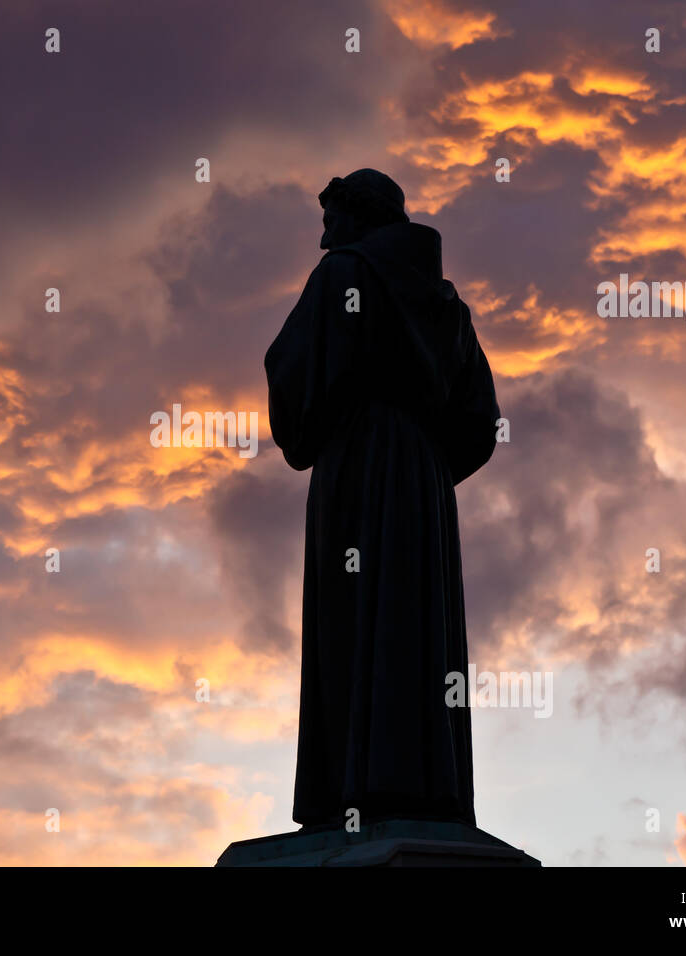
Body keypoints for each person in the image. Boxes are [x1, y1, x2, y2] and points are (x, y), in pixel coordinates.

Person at [264, 168, 501, 827]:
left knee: (355, 617)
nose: (322, 242)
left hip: (359, 463)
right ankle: (420, 786)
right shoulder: (448, 305)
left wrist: (335, 429)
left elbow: (299, 375)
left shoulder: (345, 276)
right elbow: (480, 420)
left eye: (330, 223)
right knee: (411, 622)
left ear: (360, 219)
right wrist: (425, 467)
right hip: (422, 480)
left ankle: (348, 786)